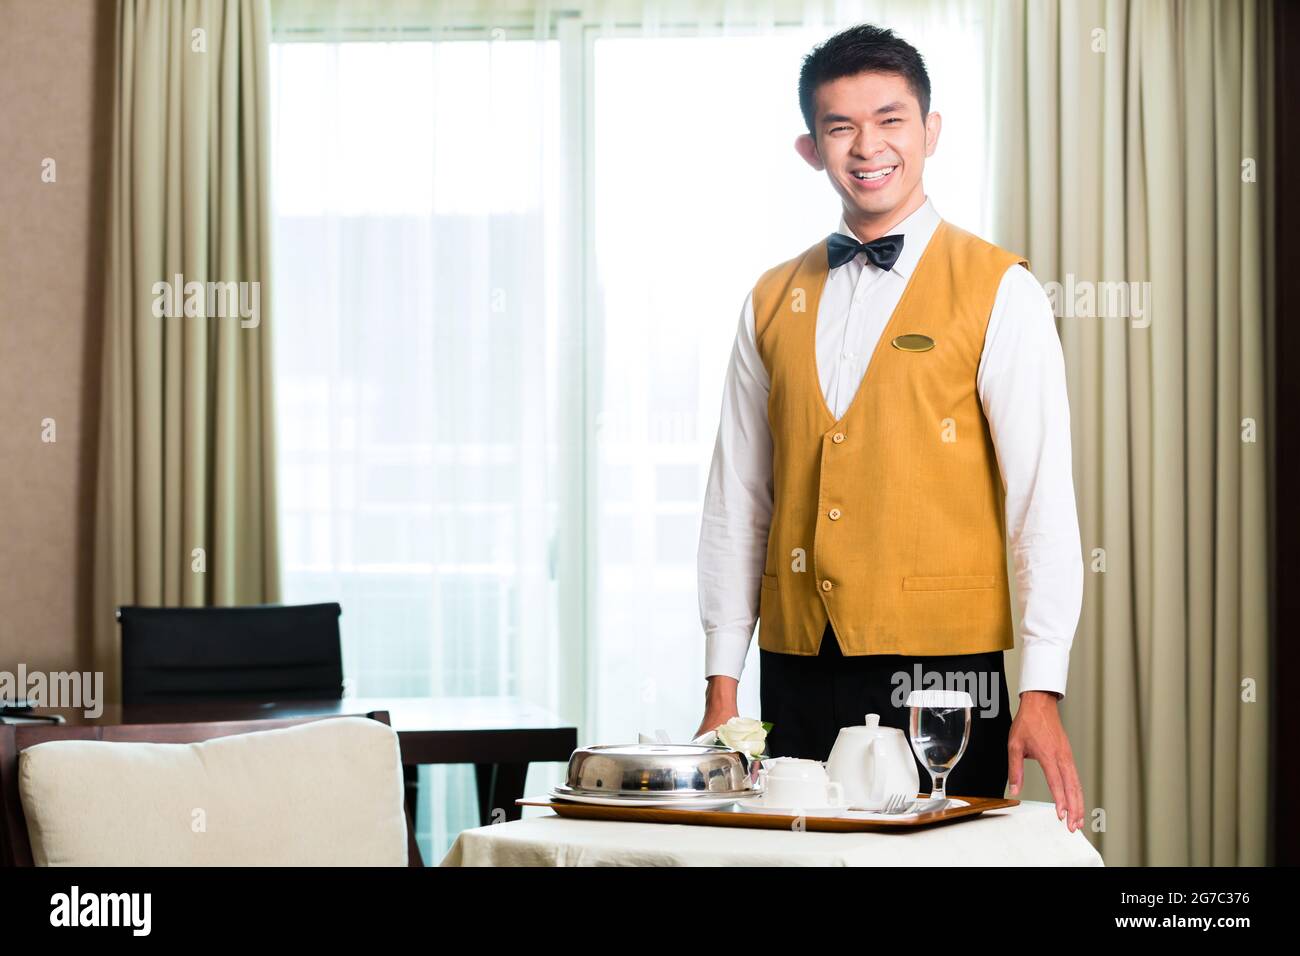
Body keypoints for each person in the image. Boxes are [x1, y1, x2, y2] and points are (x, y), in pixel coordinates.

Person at [693, 23, 1086, 831]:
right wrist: (721, 685)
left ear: (930, 131)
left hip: (941, 676)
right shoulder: (769, 299)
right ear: (811, 149)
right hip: (796, 662)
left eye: (891, 119)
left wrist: (1041, 688)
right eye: (841, 126)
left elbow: (1042, 501)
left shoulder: (999, 290)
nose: (867, 145)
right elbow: (738, 500)